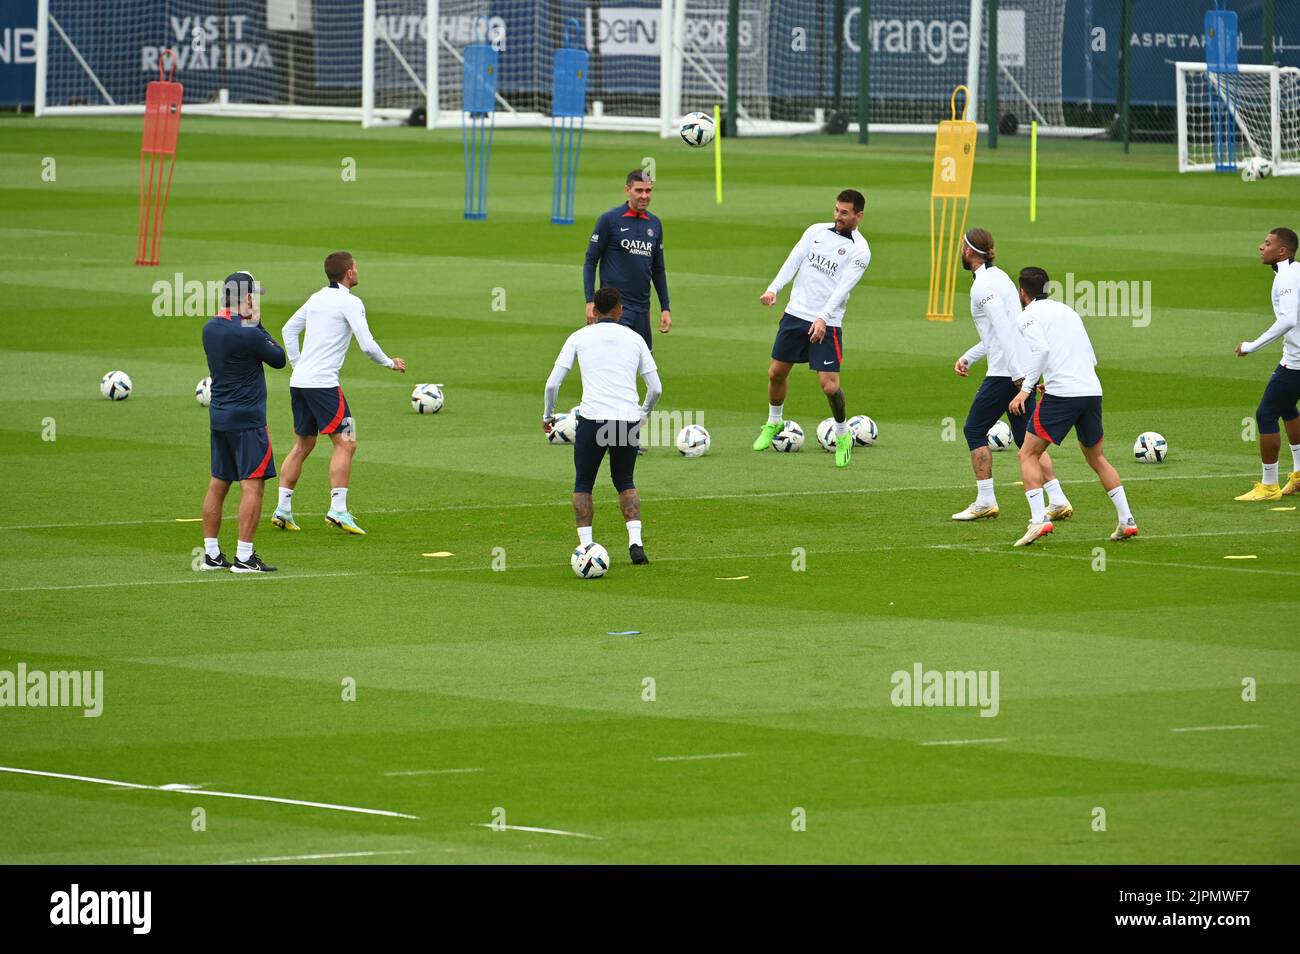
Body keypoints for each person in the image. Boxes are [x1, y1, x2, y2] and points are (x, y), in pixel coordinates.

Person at [275, 251, 406, 536]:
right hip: (323, 385)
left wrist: (299, 365)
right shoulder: (351, 302)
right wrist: (390, 363)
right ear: (348, 273)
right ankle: (338, 510)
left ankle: (283, 509)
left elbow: (288, 329)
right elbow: (367, 345)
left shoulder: (316, 297)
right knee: (346, 444)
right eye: (355, 267)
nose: (358, 271)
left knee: (303, 445)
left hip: (300, 383)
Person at [1009, 267, 1137, 547]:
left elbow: (1041, 350)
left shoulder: (1027, 316)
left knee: (1027, 454)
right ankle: (1127, 521)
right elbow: (1090, 358)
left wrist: (1027, 390)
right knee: (1097, 458)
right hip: (1090, 391)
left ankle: (1038, 520)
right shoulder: (1069, 312)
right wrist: (1051, 380)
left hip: (1063, 395)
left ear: (1023, 292)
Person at [951, 227, 1071, 521]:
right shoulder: (1001, 277)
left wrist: (1018, 378)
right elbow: (1003, 330)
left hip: (1006, 373)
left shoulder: (981, 287)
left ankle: (985, 500)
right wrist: (970, 355)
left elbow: (1004, 330)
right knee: (1026, 439)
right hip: (1017, 366)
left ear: (968, 252)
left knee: (973, 429)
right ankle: (1056, 499)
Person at [752, 189, 871, 468]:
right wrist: (773, 289)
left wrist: (823, 318)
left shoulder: (860, 251)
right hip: (795, 314)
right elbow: (794, 260)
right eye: (836, 210)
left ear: (859, 216)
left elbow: (843, 289)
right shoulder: (816, 231)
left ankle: (842, 435)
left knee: (830, 387)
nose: (837, 216)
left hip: (827, 322)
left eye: (844, 212)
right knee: (775, 373)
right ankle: (773, 421)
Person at [544, 287, 662, 564]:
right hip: (626, 419)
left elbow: (552, 383)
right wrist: (642, 413)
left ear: (594, 311)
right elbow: (656, 388)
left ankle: (587, 547)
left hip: (593, 419)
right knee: (625, 482)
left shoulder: (578, 337)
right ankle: (636, 543)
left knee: (584, 484)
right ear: (620, 310)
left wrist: (549, 415)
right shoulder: (635, 339)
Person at [199, 271, 286, 573]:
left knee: (218, 483)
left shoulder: (210, 328)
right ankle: (244, 557)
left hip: (219, 417)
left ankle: (211, 554)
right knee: (253, 486)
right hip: (248, 420)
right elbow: (278, 358)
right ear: (247, 298)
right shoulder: (247, 332)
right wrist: (256, 322)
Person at [1233, 226, 1300, 501]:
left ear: (1282, 251)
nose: (1262, 247)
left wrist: (1251, 346)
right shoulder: (1295, 271)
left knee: (1265, 414)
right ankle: (1298, 474)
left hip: (1297, 362)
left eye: (1267, 243)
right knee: (1286, 407)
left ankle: (1269, 485)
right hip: (1294, 356)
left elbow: (1288, 320)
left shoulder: (1285, 276)